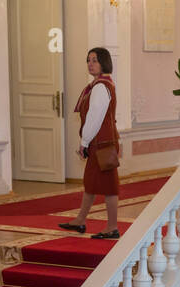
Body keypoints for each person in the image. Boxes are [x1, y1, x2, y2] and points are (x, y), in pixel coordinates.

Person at [61, 47, 120, 240]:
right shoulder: (100, 84)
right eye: (88, 60)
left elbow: (95, 117)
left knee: (109, 186)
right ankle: (80, 220)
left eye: (94, 60)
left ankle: (111, 227)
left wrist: (84, 142)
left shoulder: (101, 87)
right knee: (91, 183)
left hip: (102, 143)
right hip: (103, 142)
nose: (90, 63)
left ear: (103, 62)